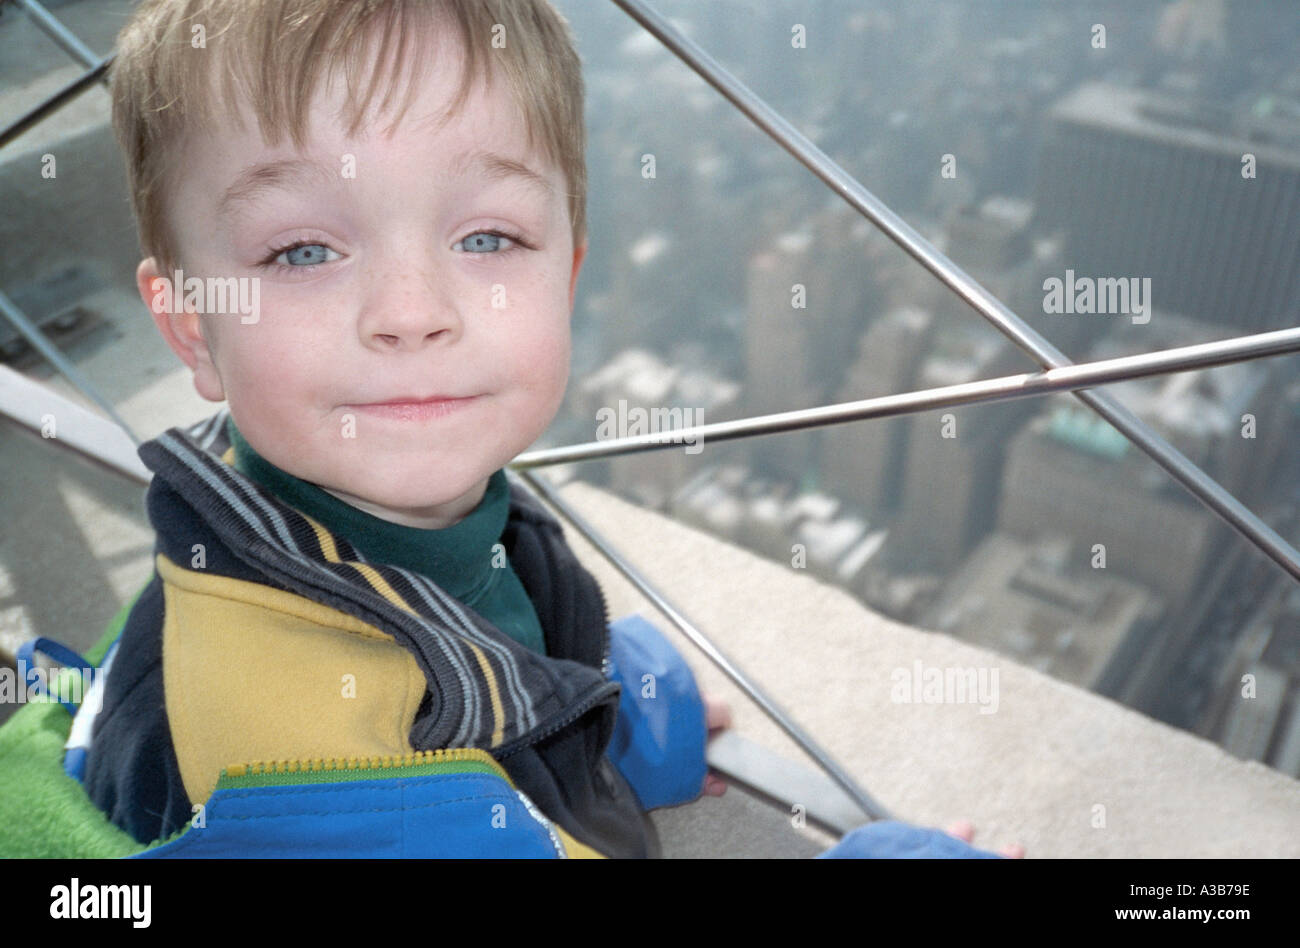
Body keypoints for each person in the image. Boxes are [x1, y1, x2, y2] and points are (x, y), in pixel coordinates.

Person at [61, 0, 1015, 859]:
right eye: (303, 250)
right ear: (192, 324)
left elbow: (502, 625)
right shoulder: (316, 780)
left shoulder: (387, 532)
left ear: (568, 274)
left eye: (487, 239)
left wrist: (624, 716)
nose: (411, 309)